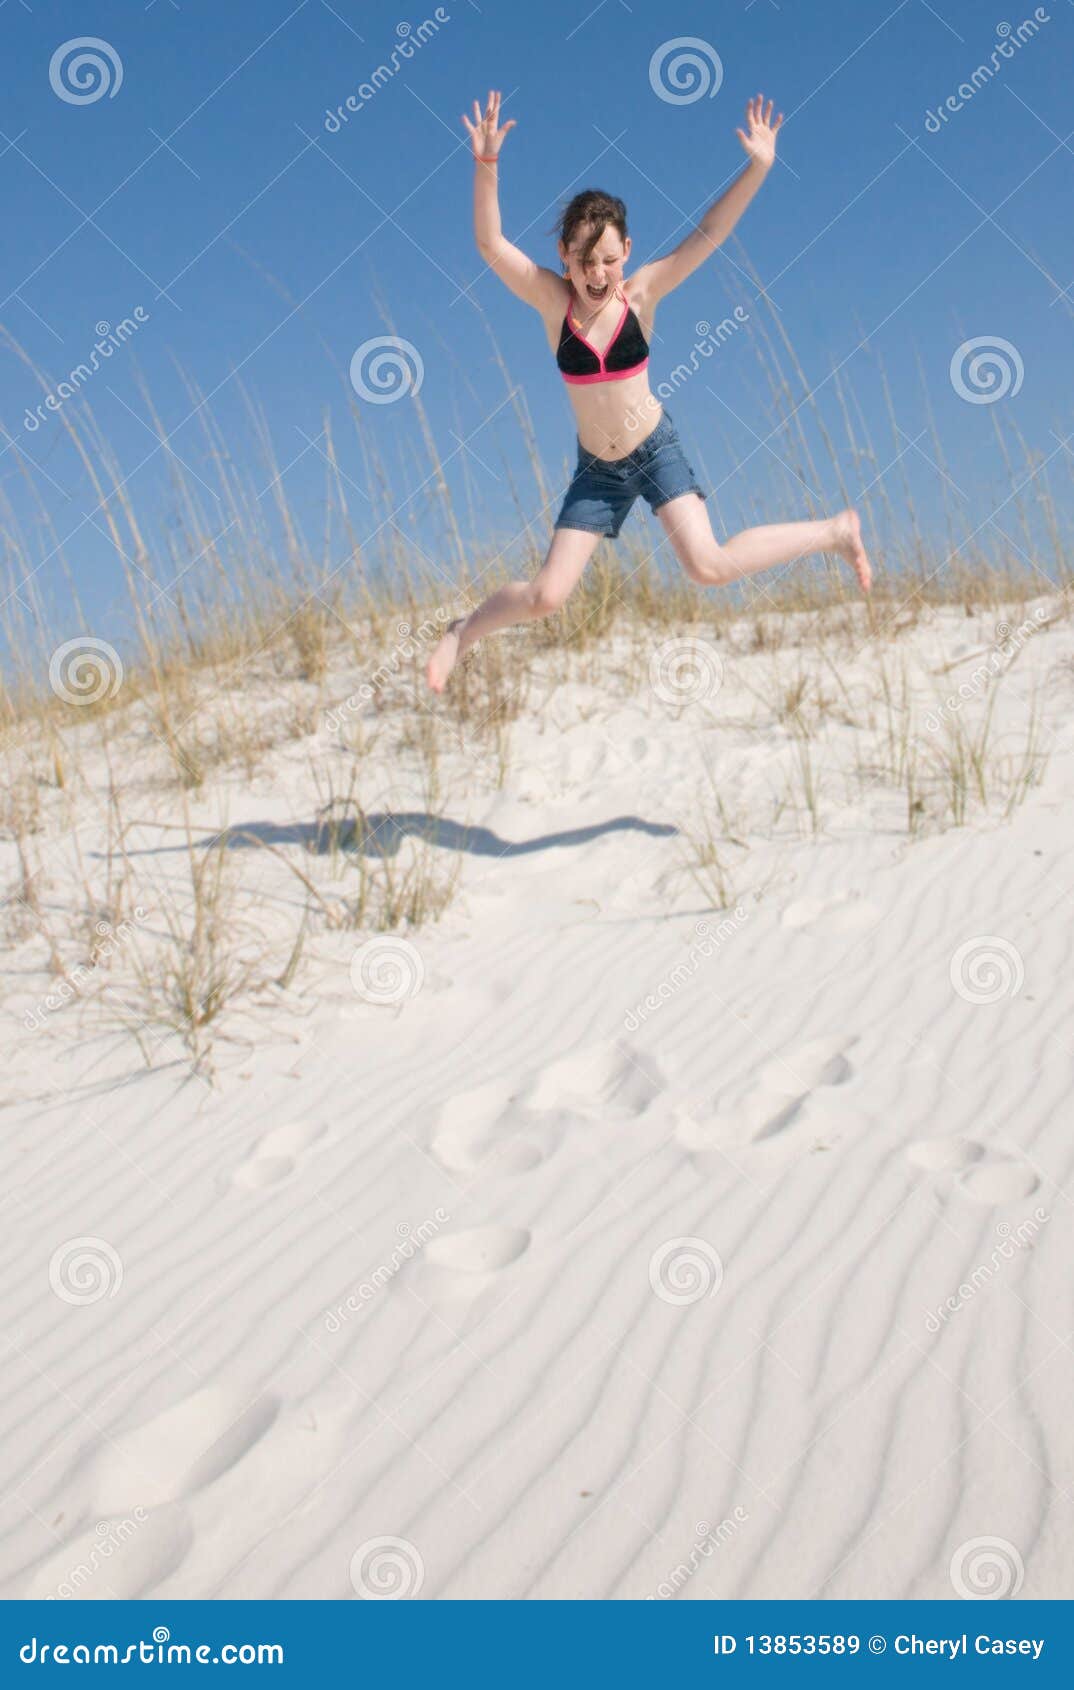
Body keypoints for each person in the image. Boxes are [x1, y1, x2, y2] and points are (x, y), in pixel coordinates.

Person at [427, 90, 871, 693]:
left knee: (708, 566)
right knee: (545, 596)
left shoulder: (641, 295)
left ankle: (836, 533)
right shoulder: (551, 303)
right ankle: (462, 632)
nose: (597, 272)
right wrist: (486, 168)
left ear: (625, 253)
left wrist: (759, 166)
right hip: (597, 472)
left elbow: (709, 234)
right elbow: (490, 246)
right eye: (584, 259)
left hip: (654, 450)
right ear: (563, 256)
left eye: (608, 259)